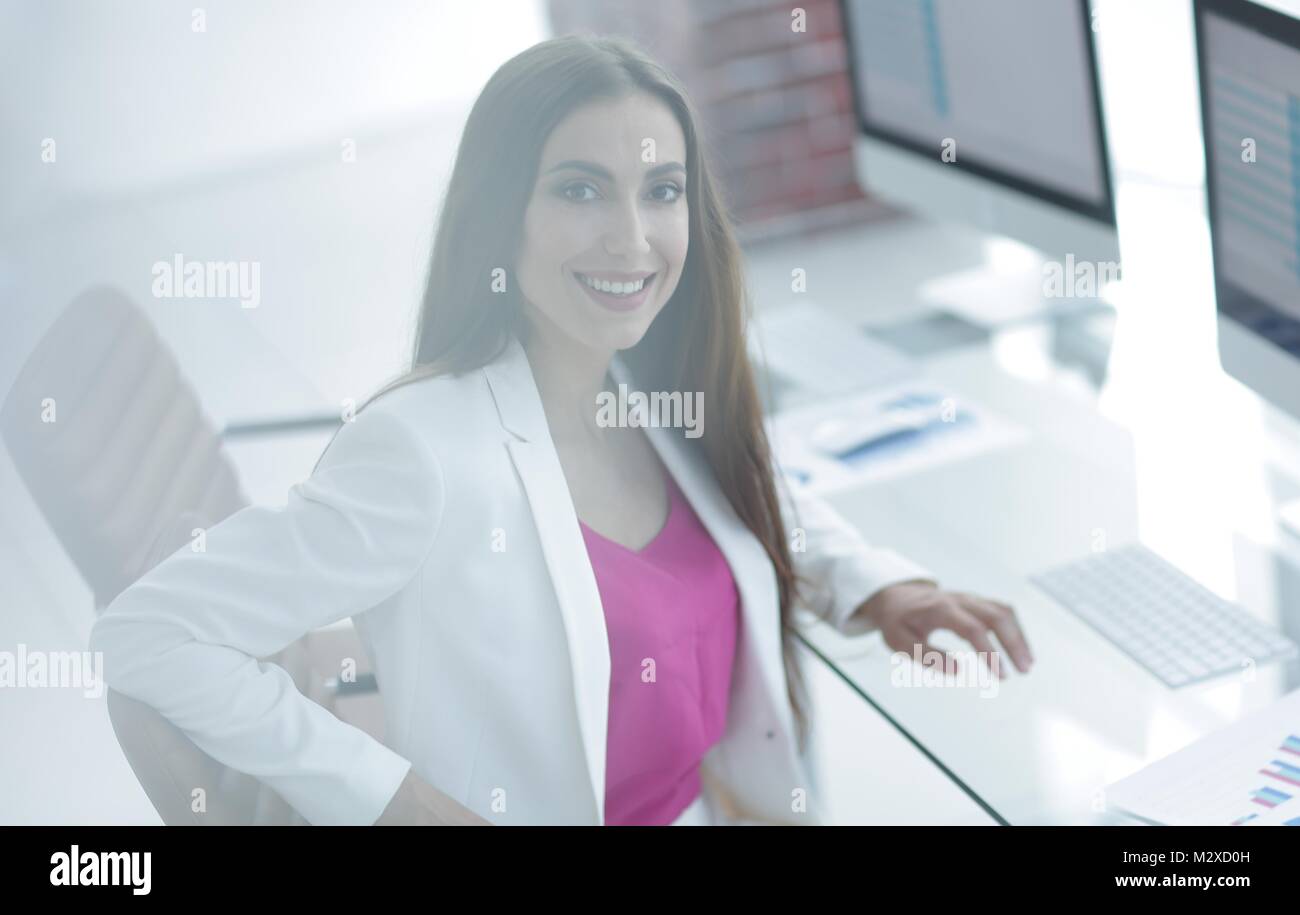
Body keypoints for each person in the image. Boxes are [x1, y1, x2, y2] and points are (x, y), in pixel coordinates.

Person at [91, 34, 1033, 827]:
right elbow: (146, 632)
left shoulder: (650, 385)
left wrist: (885, 588)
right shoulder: (421, 452)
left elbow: (750, 501)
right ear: (503, 214)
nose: (632, 237)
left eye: (662, 190)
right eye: (581, 190)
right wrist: (395, 800)